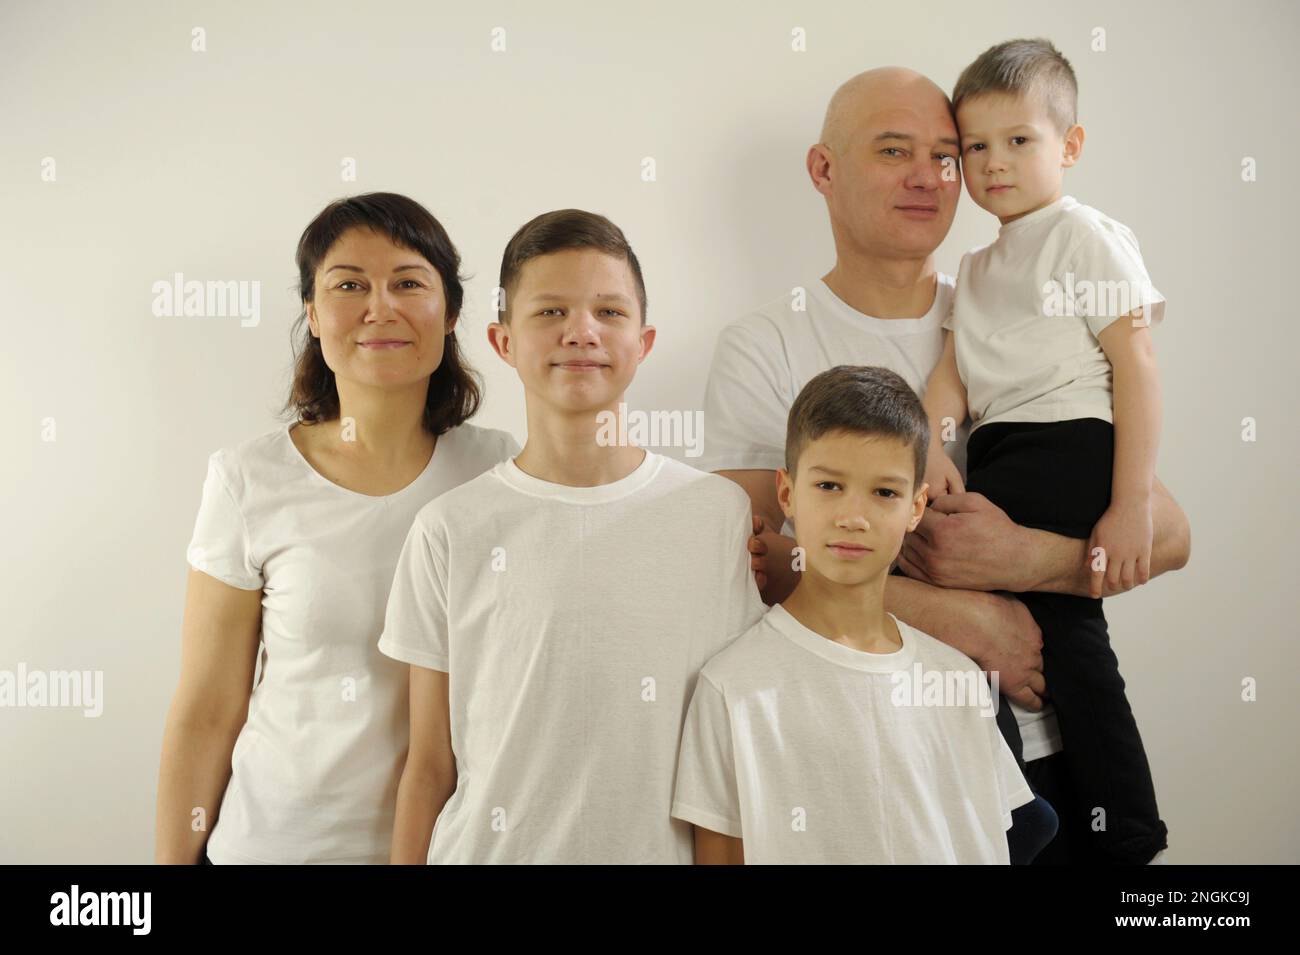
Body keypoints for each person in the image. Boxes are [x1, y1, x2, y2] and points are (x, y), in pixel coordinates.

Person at [696, 66, 1190, 862]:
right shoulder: (768, 345)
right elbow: (740, 564)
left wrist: (1028, 557)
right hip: (867, 754)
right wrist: (953, 613)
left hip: (1049, 744)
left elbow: (1167, 534)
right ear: (824, 170)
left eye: (947, 155)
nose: (929, 177)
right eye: (895, 151)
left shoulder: (1008, 306)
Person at [378, 209, 765, 864]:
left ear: (643, 342)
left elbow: (726, 758)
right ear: (503, 341)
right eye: (551, 311)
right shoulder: (449, 529)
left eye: (609, 312)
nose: (581, 331)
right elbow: (428, 767)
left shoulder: (716, 515)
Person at [156, 193, 518, 864]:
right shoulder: (248, 479)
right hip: (274, 847)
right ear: (314, 315)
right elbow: (207, 709)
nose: (380, 307)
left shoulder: (499, 471)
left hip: (450, 848)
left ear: (452, 314)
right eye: (349, 284)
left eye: (409, 283)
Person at [920, 38, 1169, 864]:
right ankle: (1016, 800)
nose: (993, 164)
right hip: (998, 451)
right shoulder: (977, 264)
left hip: (1068, 443)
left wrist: (1131, 500)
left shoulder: (1084, 234)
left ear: (1069, 145)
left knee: (1064, 634)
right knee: (1010, 631)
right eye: (975, 147)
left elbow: (1135, 364)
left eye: (1018, 141)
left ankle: (1126, 825)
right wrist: (933, 450)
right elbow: (951, 379)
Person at [673, 366, 1044, 864]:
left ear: (916, 508)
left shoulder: (957, 681)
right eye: (828, 486)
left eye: (884, 493)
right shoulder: (733, 691)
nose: (853, 516)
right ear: (787, 493)